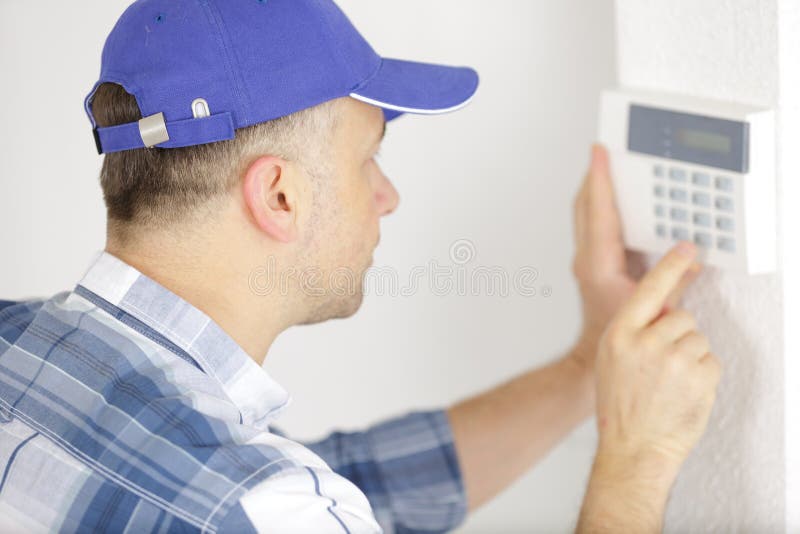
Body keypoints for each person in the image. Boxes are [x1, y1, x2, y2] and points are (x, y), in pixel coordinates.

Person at [0, 0, 721, 532]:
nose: (388, 195)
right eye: (369, 156)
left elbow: (347, 483)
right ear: (278, 196)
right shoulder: (265, 509)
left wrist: (591, 360)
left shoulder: (15, 343)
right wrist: (638, 460)